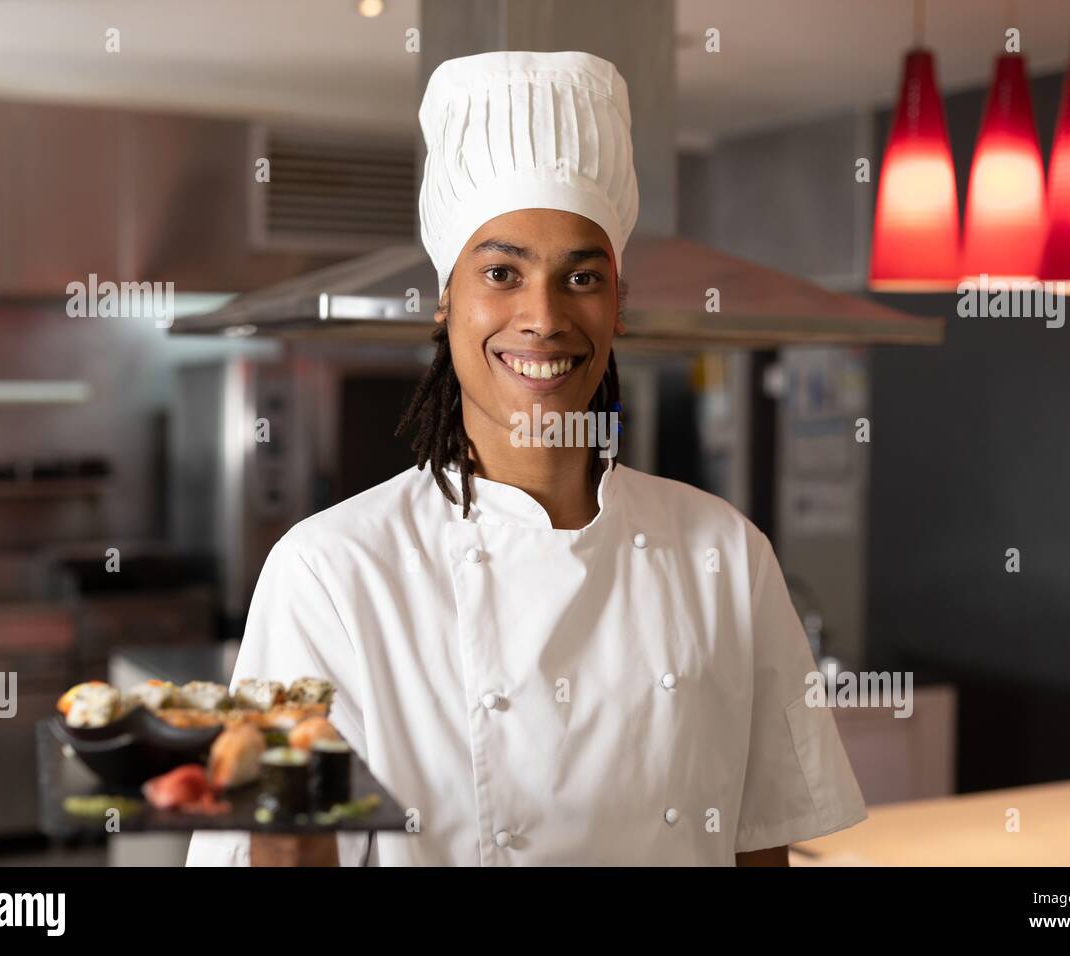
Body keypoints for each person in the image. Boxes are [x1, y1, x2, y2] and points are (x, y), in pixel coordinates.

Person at [187, 49, 866, 867]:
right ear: (446, 302)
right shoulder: (332, 572)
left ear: (618, 304)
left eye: (581, 277)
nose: (542, 317)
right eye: (502, 272)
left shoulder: (723, 552)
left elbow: (762, 850)